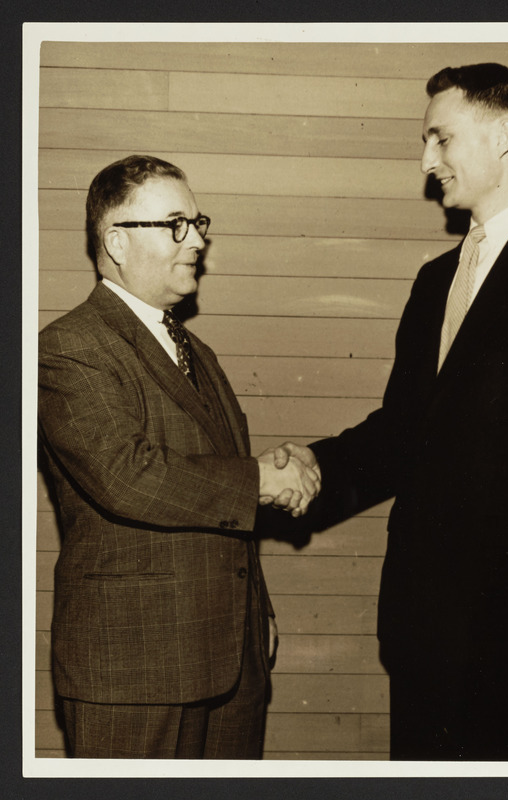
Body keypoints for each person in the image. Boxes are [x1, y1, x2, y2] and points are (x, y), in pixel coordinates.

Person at [273, 63, 508, 760]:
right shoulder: (435, 281)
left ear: (503, 135)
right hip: (424, 628)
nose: (427, 164)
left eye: (440, 139)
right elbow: (404, 435)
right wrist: (313, 467)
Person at [38, 154, 320, 759]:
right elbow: (126, 475)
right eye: (175, 224)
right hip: (135, 675)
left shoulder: (199, 353)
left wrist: (253, 615)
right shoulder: (69, 348)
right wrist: (263, 482)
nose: (197, 239)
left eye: (197, 222)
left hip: (231, 666)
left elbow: (214, 488)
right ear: (115, 240)